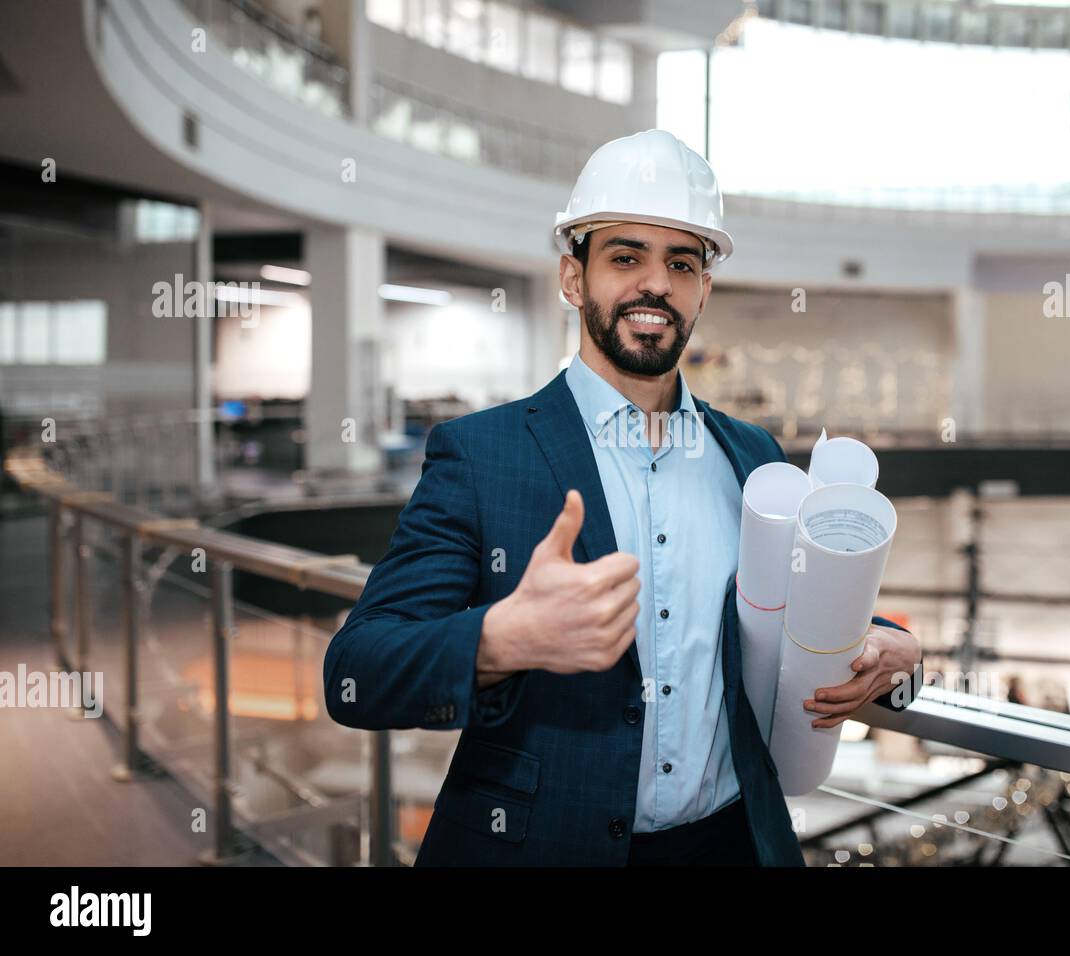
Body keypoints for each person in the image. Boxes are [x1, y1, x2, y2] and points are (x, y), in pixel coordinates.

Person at [323, 129, 924, 866]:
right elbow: (357, 674)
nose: (656, 285)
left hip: (730, 846)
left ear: (704, 287)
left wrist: (887, 646)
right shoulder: (482, 456)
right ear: (574, 278)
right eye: (625, 257)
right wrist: (502, 639)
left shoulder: (754, 460)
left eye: (681, 262)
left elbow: (780, 616)